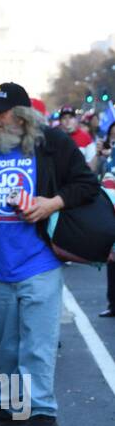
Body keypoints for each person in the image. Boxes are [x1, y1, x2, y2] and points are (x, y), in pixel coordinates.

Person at [0, 81, 98, 426]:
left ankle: (43, 410)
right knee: (7, 344)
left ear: (21, 117)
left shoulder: (51, 145)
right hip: (1, 269)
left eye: (0, 113)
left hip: (40, 264)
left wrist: (51, 203)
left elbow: (86, 185)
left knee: (37, 342)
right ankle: (9, 405)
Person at [94, 119, 115, 317]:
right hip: (110, 209)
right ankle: (113, 303)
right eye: (113, 135)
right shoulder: (107, 158)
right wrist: (99, 155)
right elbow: (92, 174)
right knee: (112, 259)